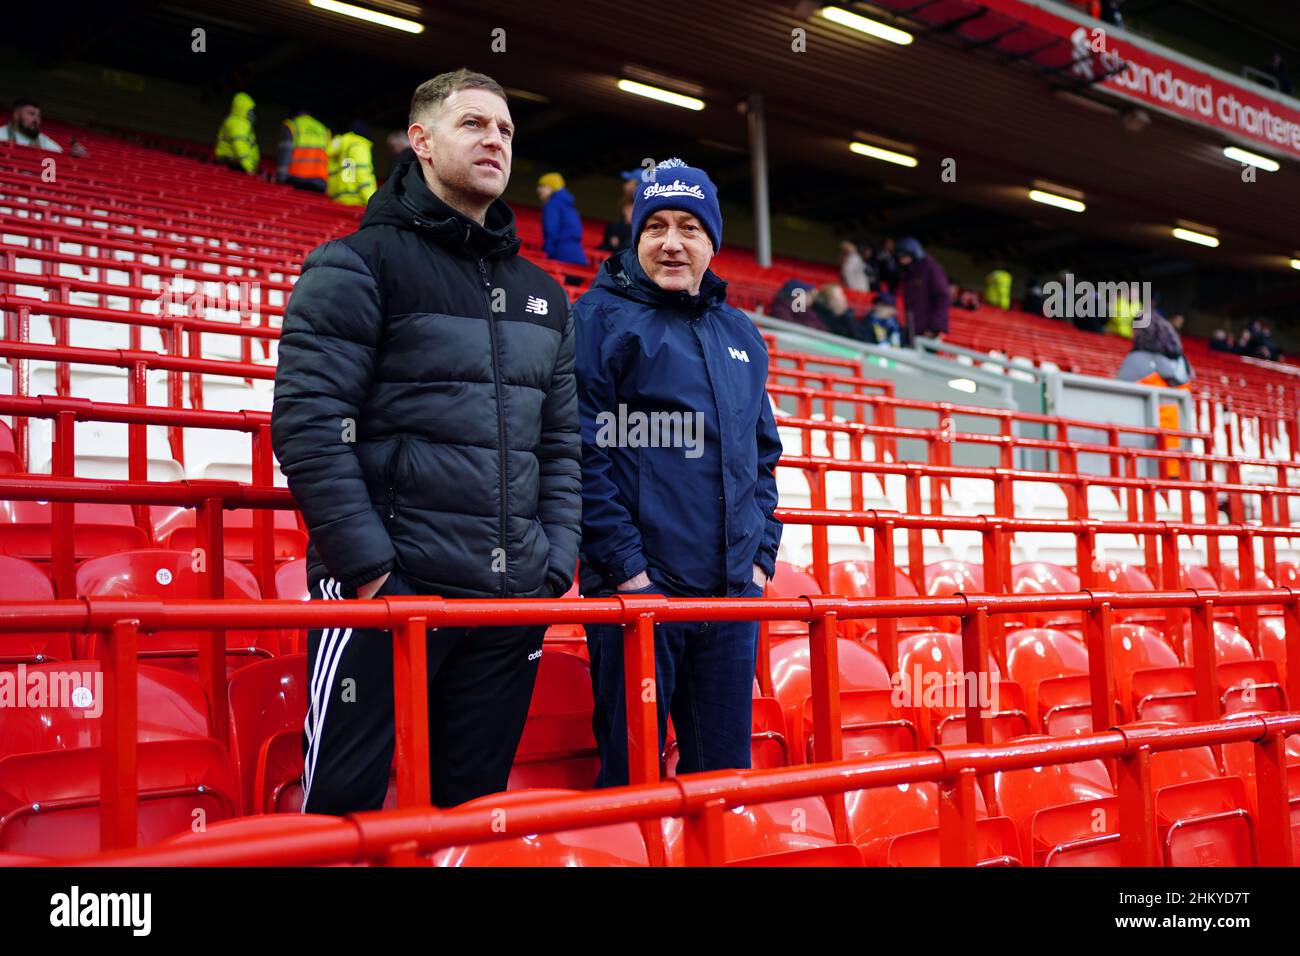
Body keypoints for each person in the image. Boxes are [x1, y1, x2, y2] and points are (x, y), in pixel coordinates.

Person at [271, 68, 581, 814]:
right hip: (389, 598)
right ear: (421, 140)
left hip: (508, 606)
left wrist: (553, 567)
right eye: (474, 124)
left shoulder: (545, 293)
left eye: (505, 130)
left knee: (471, 814)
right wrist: (374, 573)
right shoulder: (357, 263)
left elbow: (565, 444)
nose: (494, 141)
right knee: (342, 815)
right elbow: (309, 424)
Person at [574, 157, 783, 788]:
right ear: (635, 237)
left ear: (711, 242)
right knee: (632, 784)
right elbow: (582, 454)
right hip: (638, 599)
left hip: (728, 601)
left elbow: (762, 456)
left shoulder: (739, 332)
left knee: (723, 786)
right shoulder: (597, 320)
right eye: (656, 226)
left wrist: (758, 563)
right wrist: (629, 574)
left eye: (689, 227)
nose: (671, 242)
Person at [896, 236, 949, 341]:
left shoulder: (931, 268)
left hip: (927, 330)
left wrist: (933, 328)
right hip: (912, 327)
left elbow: (942, 297)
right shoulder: (908, 271)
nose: (901, 260)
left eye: (904, 256)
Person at [537, 171, 588, 265]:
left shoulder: (552, 204)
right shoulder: (569, 205)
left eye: (542, 186)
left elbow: (550, 230)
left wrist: (548, 252)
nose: (538, 190)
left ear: (550, 188)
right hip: (578, 255)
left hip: (560, 255)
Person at [0, 99, 85, 155]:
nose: (36, 119)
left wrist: (76, 153)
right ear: (16, 115)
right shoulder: (1, 133)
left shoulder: (42, 140)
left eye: (38, 116)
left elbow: (60, 155)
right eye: (31, 114)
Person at [277, 109, 330, 192]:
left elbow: (285, 151)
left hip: (296, 177)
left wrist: (281, 177)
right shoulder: (323, 129)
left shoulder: (292, 126)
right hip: (320, 180)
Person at [326, 121, 377, 206]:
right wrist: (373, 202)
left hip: (338, 200)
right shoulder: (359, 145)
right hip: (357, 201)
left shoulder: (341, 145)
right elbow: (362, 174)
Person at [214, 92, 259, 175]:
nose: (252, 113)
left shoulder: (234, 121)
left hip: (232, 161)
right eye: (250, 110)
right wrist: (249, 167)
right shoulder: (240, 123)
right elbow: (240, 145)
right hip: (235, 164)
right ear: (243, 109)